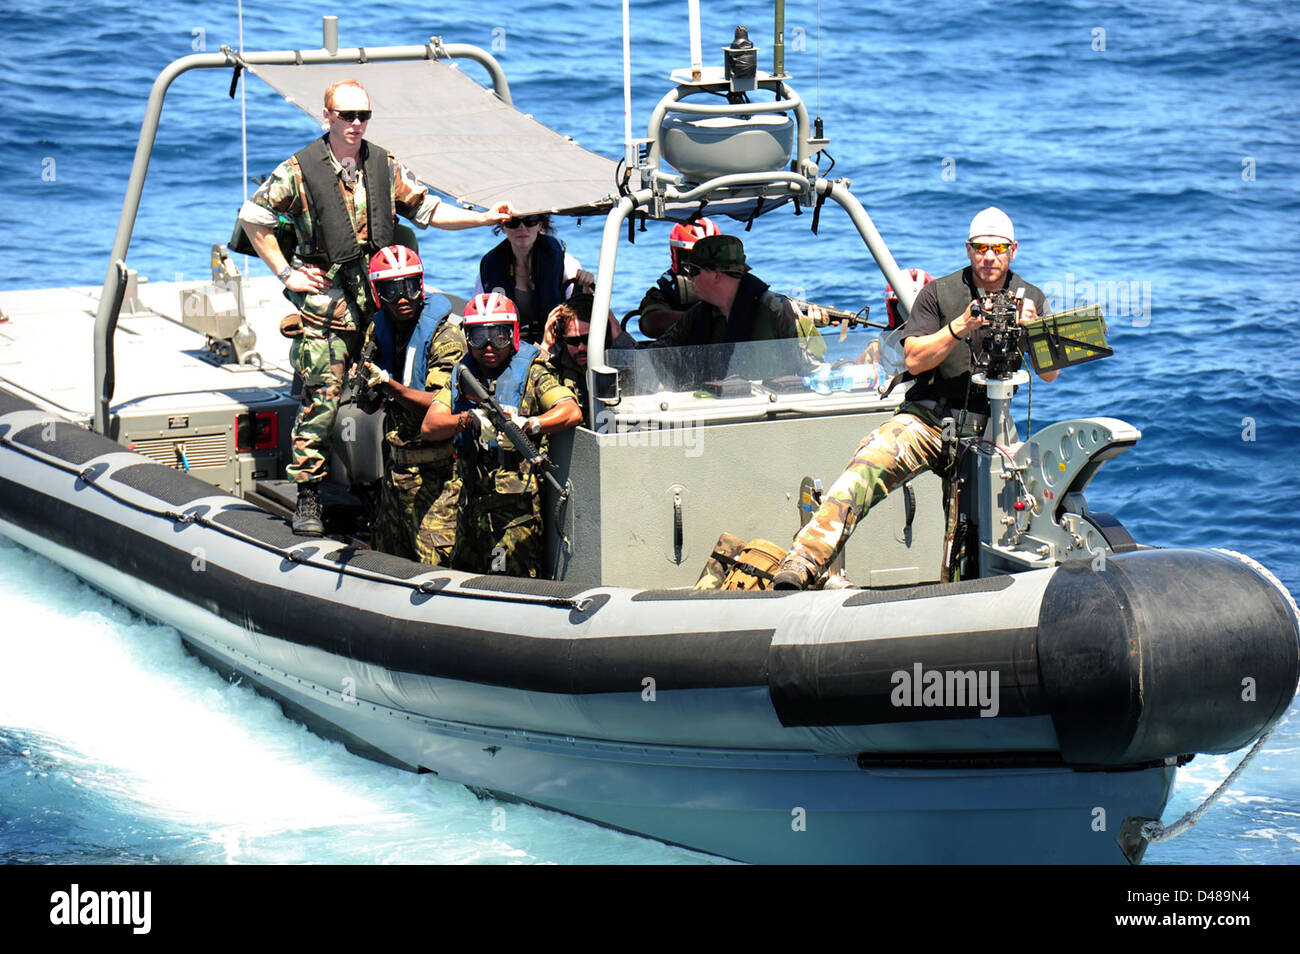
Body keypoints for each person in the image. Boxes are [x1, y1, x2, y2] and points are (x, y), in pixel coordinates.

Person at [237, 78, 511, 535]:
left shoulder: (384, 165)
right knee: (322, 396)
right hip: (330, 307)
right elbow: (254, 217)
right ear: (327, 116)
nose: (356, 124)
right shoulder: (299, 170)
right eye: (347, 116)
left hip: (382, 300)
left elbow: (427, 210)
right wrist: (287, 273)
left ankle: (391, 486)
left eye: (363, 116)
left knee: (396, 387)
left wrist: (483, 217)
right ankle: (308, 493)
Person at [772, 207, 1058, 590]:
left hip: (987, 433)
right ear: (968, 249)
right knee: (865, 467)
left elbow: (1051, 373)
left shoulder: (1030, 298)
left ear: (1013, 250)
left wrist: (1032, 329)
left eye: (998, 248)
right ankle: (803, 561)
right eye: (980, 247)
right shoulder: (939, 294)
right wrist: (959, 326)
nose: (989, 257)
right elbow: (915, 358)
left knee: (970, 536)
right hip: (928, 421)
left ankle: (961, 605)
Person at [420, 293, 583, 578]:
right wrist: (467, 419)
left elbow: (570, 411)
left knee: (510, 587)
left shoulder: (533, 374)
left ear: (513, 335)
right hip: (471, 508)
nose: (489, 346)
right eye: (478, 336)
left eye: (499, 335)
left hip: (514, 518)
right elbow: (430, 426)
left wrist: (530, 424)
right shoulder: (463, 375)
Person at [354, 246, 465, 565]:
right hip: (394, 471)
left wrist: (388, 384)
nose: (403, 297)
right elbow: (369, 407)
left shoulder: (446, 337)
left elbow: (437, 406)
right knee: (388, 564)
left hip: (437, 479)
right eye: (392, 289)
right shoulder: (379, 330)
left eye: (410, 287)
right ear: (378, 293)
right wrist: (366, 385)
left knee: (435, 569)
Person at [474, 213, 594, 345]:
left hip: (556, 345)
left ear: (539, 224)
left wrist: (585, 287)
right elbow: (479, 316)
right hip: (509, 346)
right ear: (503, 227)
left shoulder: (567, 266)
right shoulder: (489, 269)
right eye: (513, 222)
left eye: (529, 221)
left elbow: (578, 314)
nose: (522, 228)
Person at [541, 293, 637, 423]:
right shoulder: (555, 365)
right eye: (573, 341)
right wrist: (545, 346)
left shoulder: (620, 358)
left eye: (587, 339)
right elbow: (532, 385)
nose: (581, 348)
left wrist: (619, 338)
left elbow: (643, 379)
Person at [637, 218, 721, 339]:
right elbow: (652, 324)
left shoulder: (735, 285)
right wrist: (705, 318)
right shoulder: (665, 293)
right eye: (692, 258)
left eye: (709, 257)